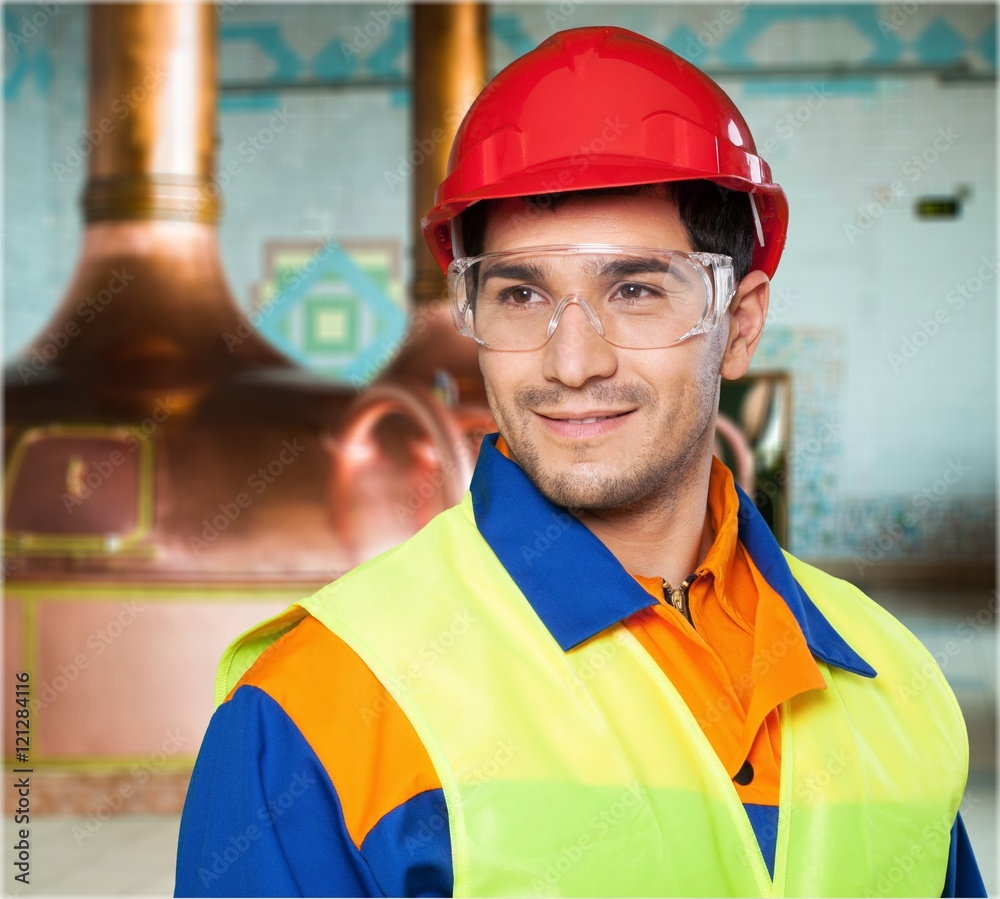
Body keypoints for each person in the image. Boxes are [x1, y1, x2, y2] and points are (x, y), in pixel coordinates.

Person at [175, 26, 985, 897]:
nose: (572, 363)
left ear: (741, 324)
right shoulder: (321, 707)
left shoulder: (892, 681)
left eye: (635, 289)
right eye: (521, 295)